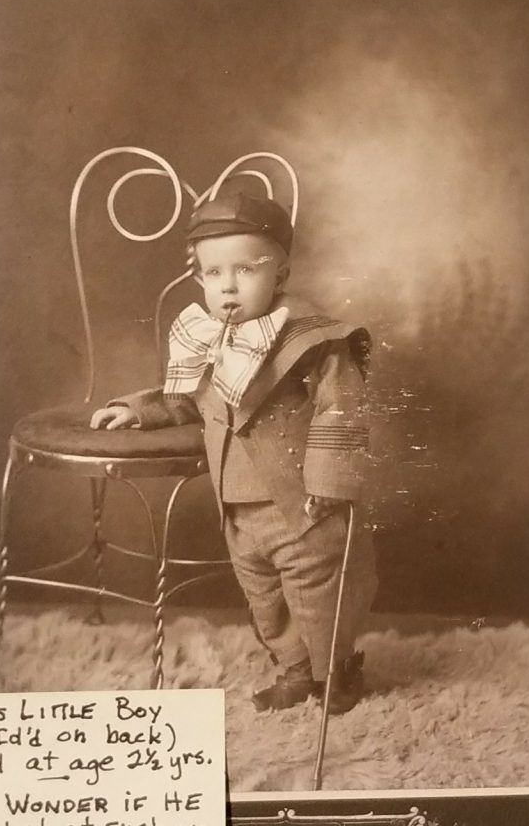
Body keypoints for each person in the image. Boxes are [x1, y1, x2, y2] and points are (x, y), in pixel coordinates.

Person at [91, 191, 377, 714]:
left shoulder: (310, 339)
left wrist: (328, 485)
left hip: (300, 504)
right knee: (265, 599)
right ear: (198, 278)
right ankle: (293, 668)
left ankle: (334, 672)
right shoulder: (205, 341)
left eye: (247, 269)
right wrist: (138, 410)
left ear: (281, 275)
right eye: (213, 272)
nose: (228, 285)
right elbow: (185, 401)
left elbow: (341, 409)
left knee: (318, 594)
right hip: (238, 507)